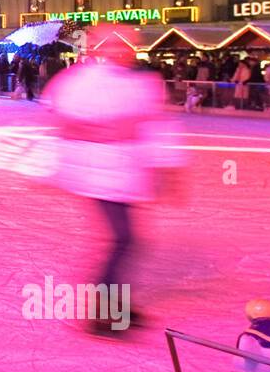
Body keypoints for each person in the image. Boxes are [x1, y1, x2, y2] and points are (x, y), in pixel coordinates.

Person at [43, 26, 186, 333]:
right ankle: (103, 313)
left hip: (120, 175)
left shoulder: (130, 81)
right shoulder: (95, 82)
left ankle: (115, 306)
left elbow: (154, 127)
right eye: (122, 48)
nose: (128, 53)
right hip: (101, 175)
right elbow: (65, 115)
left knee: (127, 240)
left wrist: (164, 168)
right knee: (124, 240)